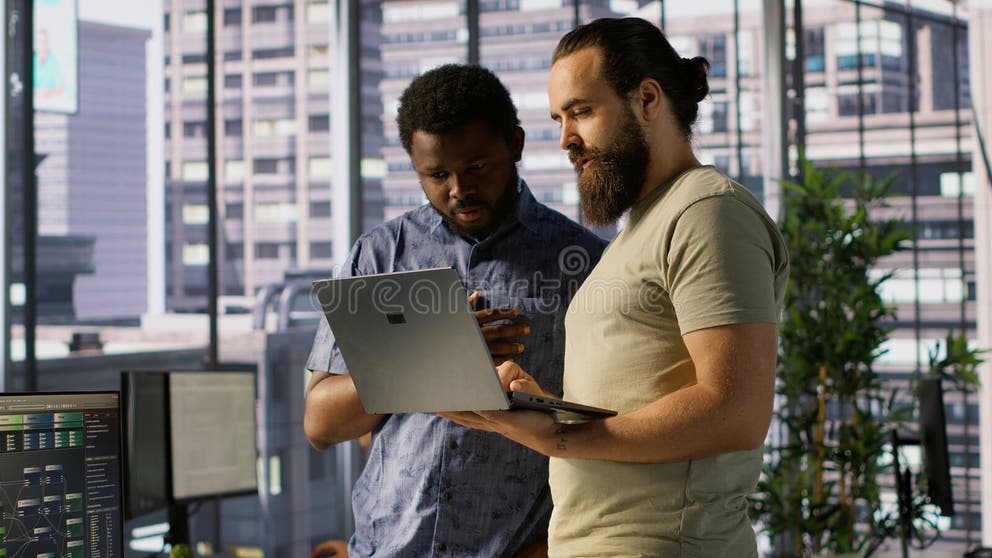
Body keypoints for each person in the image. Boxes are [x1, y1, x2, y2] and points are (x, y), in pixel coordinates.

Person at [442, 18, 790, 557]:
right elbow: (638, 402)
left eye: (580, 111)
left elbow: (735, 411)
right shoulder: (639, 229)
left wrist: (556, 435)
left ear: (647, 100)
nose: (565, 139)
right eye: (559, 118)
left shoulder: (707, 212)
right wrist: (543, 410)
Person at [303, 64, 607, 557]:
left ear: (516, 144)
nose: (459, 189)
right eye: (437, 174)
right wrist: (429, 354)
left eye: (477, 167)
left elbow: (608, 434)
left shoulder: (585, 265)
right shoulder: (378, 257)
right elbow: (321, 426)